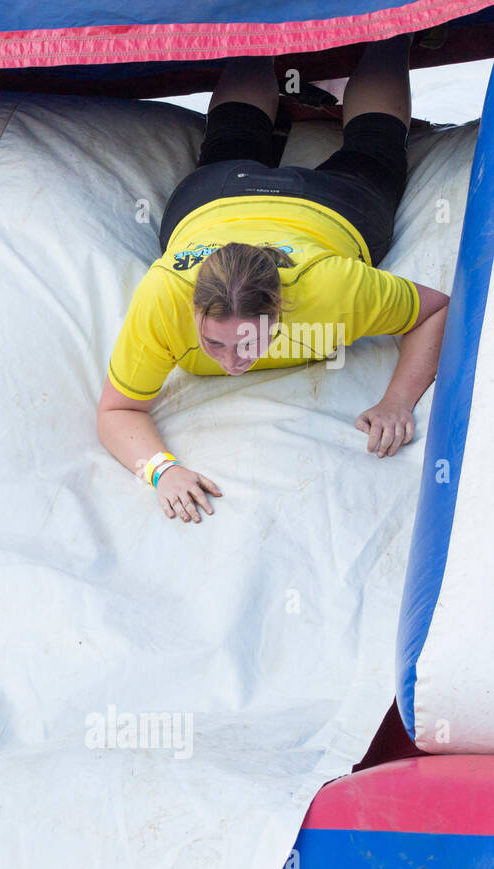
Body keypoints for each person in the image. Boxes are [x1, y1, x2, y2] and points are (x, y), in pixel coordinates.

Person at [97, 36, 450, 523]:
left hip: (324, 207)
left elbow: (435, 308)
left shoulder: (330, 285)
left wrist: (397, 402)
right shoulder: (164, 296)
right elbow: (116, 411)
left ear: (281, 308)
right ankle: (261, 24)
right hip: (217, 201)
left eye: (248, 343)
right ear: (194, 307)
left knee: (376, 146)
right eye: (215, 344)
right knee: (234, 137)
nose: (233, 362)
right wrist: (162, 470)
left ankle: (393, 23)